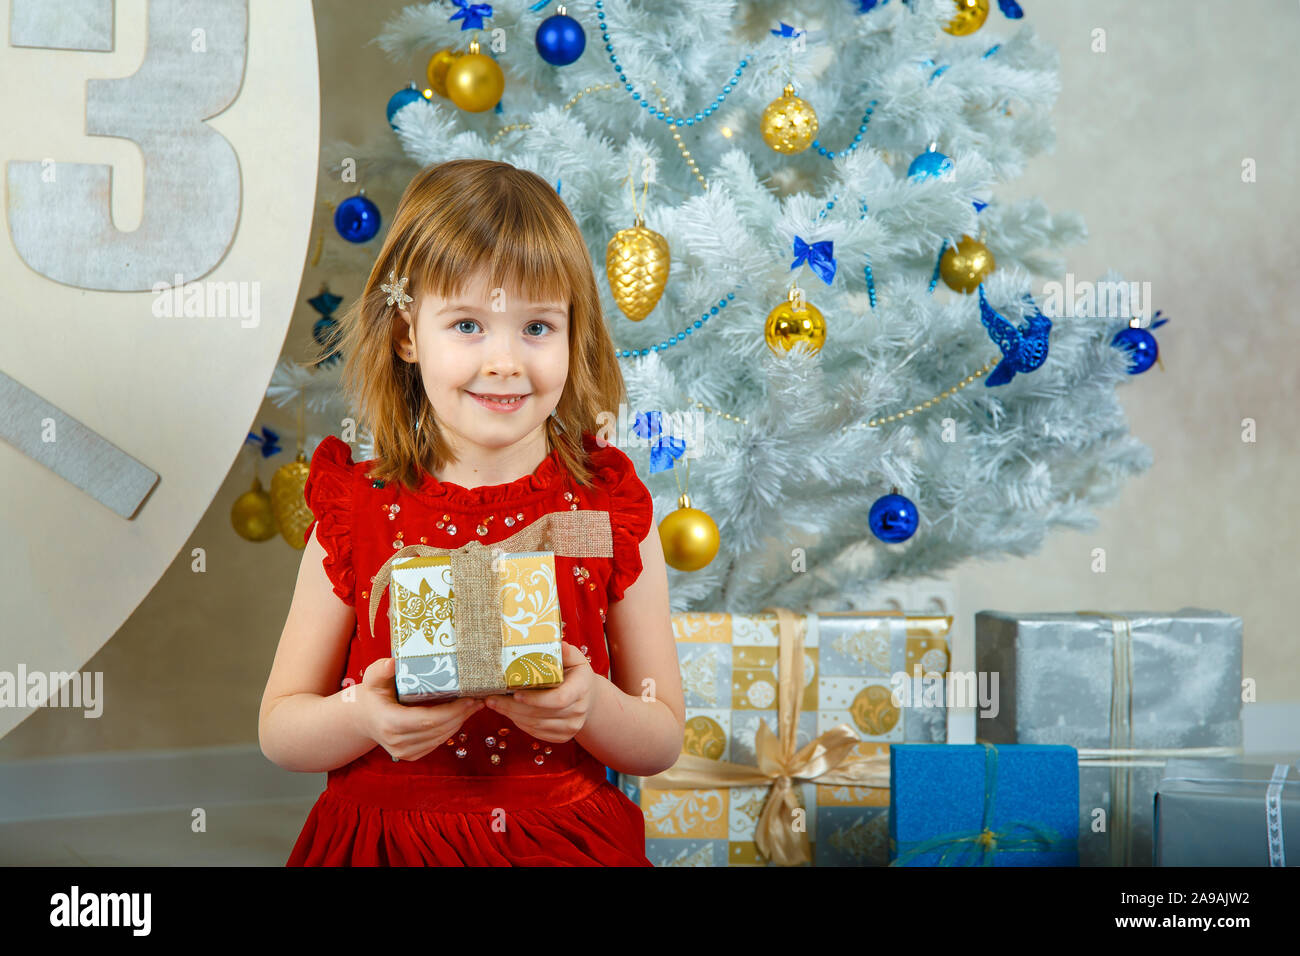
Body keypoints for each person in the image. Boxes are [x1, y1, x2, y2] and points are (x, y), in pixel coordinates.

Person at [259, 159, 684, 866]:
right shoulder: (357, 511)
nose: (505, 361)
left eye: (538, 327)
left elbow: (662, 736)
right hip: (383, 844)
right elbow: (280, 729)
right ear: (406, 335)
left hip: (563, 842)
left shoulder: (607, 509)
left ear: (574, 334)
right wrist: (362, 716)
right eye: (466, 324)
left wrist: (593, 708)